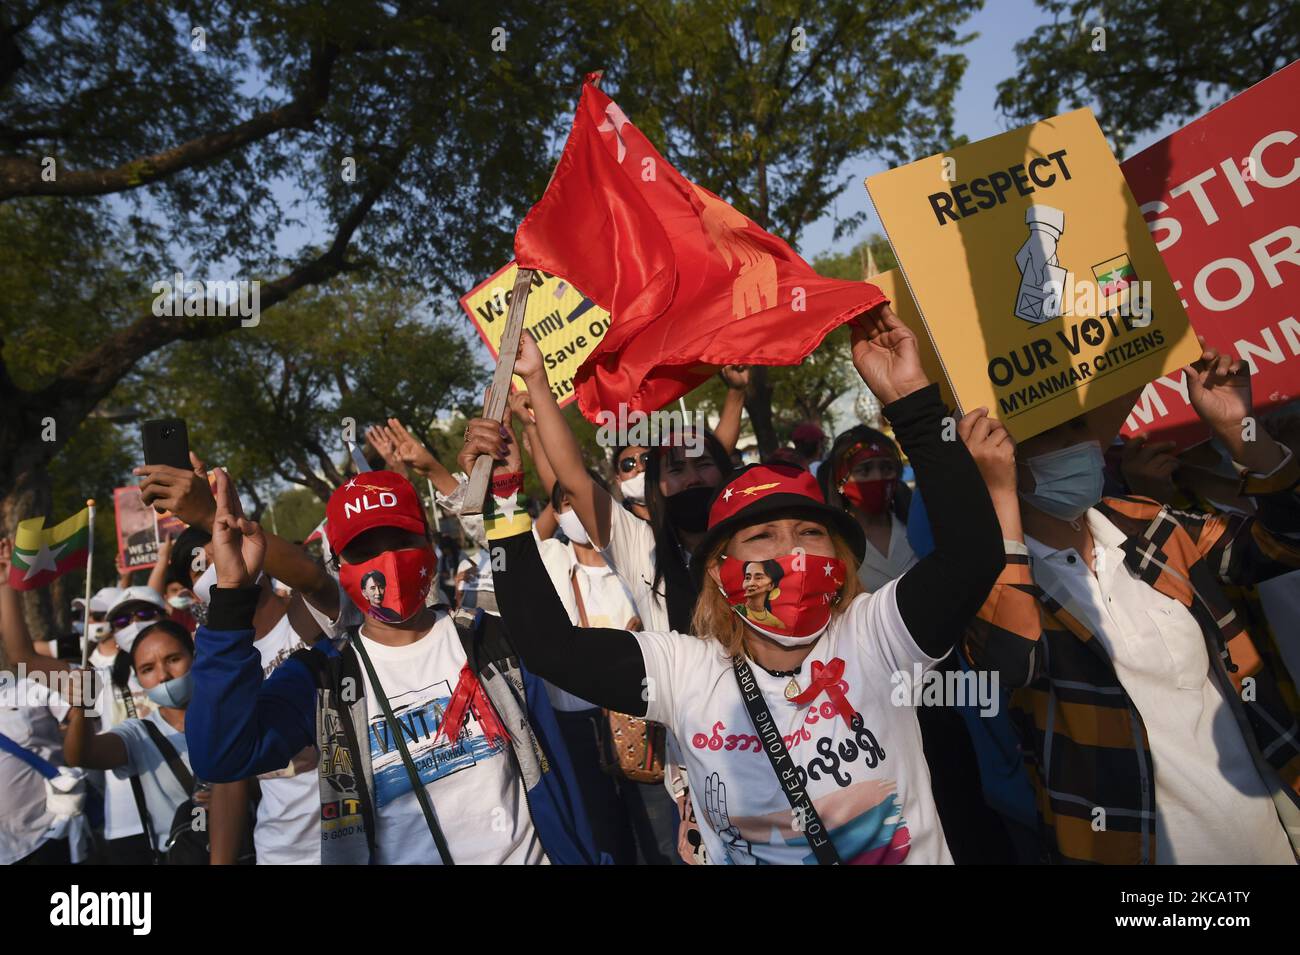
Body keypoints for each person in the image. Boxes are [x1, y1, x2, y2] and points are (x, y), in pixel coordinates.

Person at [469, 302, 1007, 864]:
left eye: (808, 532)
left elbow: (971, 556)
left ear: (842, 561)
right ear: (719, 569)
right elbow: (549, 648)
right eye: (763, 537)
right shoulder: (686, 672)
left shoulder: (876, 635)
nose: (791, 550)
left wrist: (911, 401)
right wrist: (503, 505)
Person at [964, 339, 1300, 864]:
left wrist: (1241, 432)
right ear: (1003, 461)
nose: (1080, 448)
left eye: (1080, 428)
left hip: (1264, 839)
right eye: (1049, 436)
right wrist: (997, 500)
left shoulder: (1150, 525)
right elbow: (1010, 661)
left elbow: (1281, 545)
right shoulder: (989, 580)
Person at [182, 465, 602, 865]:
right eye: (364, 551)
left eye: (400, 541)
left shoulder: (491, 639)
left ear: (430, 547)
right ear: (341, 567)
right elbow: (221, 755)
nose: (386, 563)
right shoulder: (323, 678)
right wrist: (232, 596)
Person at [62, 614, 236, 864]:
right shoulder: (137, 733)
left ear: (195, 657)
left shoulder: (232, 715)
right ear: (139, 679)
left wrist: (239, 789)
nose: (163, 675)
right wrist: (81, 709)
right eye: (148, 669)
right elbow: (81, 755)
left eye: (173, 659)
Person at [820, 427, 916, 591]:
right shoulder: (833, 543)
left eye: (886, 468)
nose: (877, 477)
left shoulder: (916, 524)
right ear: (840, 481)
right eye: (864, 470)